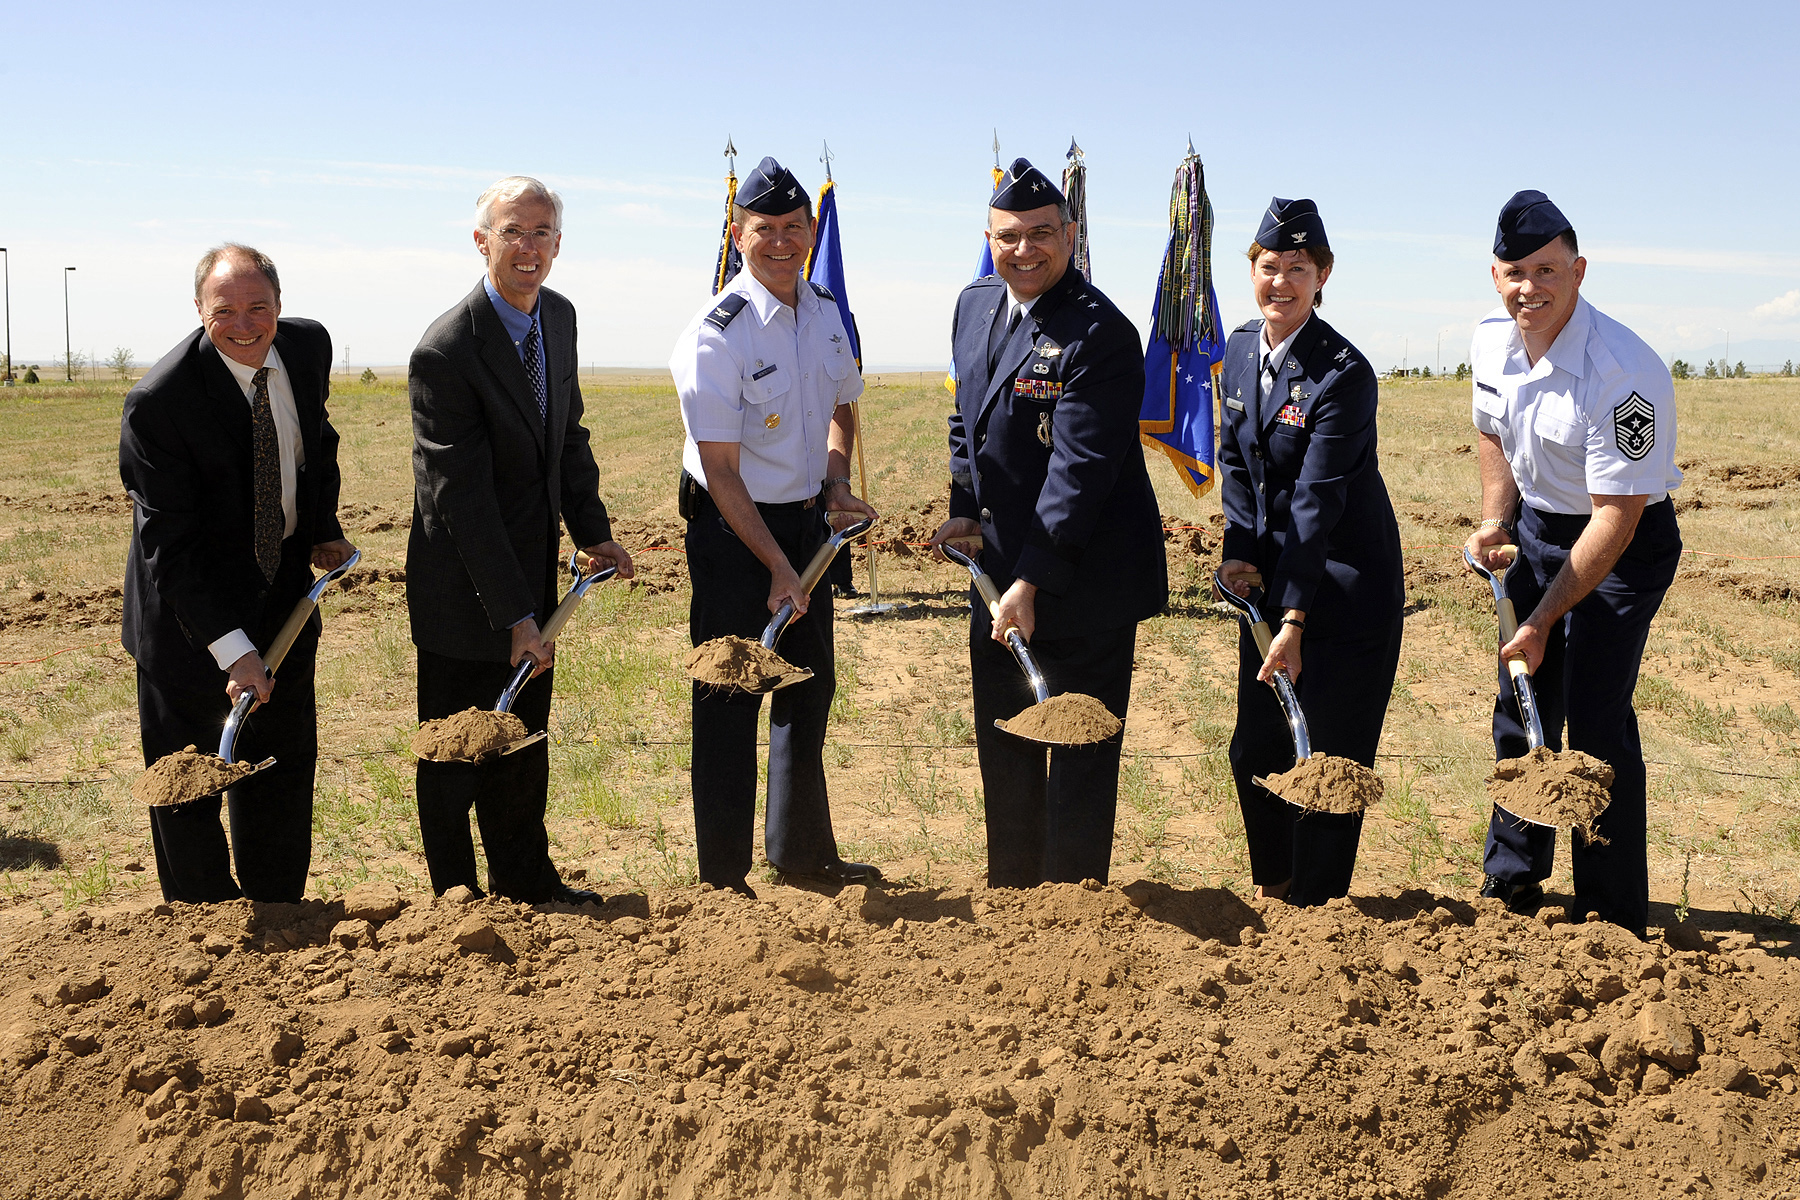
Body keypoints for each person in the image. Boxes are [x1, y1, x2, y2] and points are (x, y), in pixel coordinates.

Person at [929, 158, 1166, 888]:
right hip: (1000, 575)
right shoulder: (973, 306)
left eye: (1040, 235)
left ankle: (1073, 912)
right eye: (1008, 236)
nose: (1024, 251)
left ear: (1070, 235)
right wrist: (965, 512)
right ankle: (1015, 907)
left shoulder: (1101, 334)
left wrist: (1030, 578)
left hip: (1083, 579)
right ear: (988, 237)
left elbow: (1079, 471)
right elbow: (965, 420)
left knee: (1079, 753)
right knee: (1006, 746)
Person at [406, 175, 635, 905]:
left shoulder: (557, 320)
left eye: (541, 233)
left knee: (522, 740)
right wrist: (516, 616)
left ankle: (526, 882)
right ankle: (454, 899)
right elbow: (461, 502)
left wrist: (593, 534)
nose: (528, 247)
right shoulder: (447, 349)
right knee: (454, 750)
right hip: (463, 591)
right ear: (482, 242)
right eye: (513, 232)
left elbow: (567, 437)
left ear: (558, 245)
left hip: (528, 579)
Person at [1465, 190, 1682, 937]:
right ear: (1495, 274)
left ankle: (1610, 911)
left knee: (1593, 718)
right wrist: (1496, 518)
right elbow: (1493, 430)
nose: (1530, 287)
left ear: (1579, 270)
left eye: (1548, 269)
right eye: (1514, 270)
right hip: (1537, 528)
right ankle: (1514, 878)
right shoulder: (1492, 340)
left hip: (1621, 544)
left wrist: (1543, 615)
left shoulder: (1624, 373)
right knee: (1520, 702)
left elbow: (1616, 519)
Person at [670, 156, 880, 897]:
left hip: (806, 528)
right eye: (766, 229)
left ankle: (801, 856)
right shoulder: (714, 335)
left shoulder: (823, 310)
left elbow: (842, 404)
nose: (782, 241)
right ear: (737, 235)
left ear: (812, 232)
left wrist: (836, 481)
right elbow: (722, 472)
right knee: (729, 695)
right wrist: (776, 568)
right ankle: (723, 878)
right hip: (734, 536)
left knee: (806, 690)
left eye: (795, 228)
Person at [120, 244, 356, 904]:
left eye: (259, 307)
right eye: (225, 310)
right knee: (188, 787)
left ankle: (279, 912)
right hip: (188, 619)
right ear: (198, 311)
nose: (245, 325)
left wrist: (322, 526)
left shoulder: (308, 349)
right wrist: (234, 651)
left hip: (279, 594)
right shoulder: (158, 403)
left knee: (279, 769)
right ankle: (205, 931)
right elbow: (169, 546)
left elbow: (318, 440)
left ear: (280, 305)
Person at [1216, 198, 1404, 907]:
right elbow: (1236, 460)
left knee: (1328, 766)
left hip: (1345, 592)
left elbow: (1317, 499)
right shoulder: (1238, 349)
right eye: (1270, 267)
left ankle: (1318, 913)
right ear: (1253, 271)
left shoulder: (1343, 373)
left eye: (1299, 268)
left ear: (1323, 275)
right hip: (1271, 581)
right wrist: (1238, 551)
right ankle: (1277, 890)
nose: (1282, 282)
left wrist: (1293, 619)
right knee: (1255, 752)